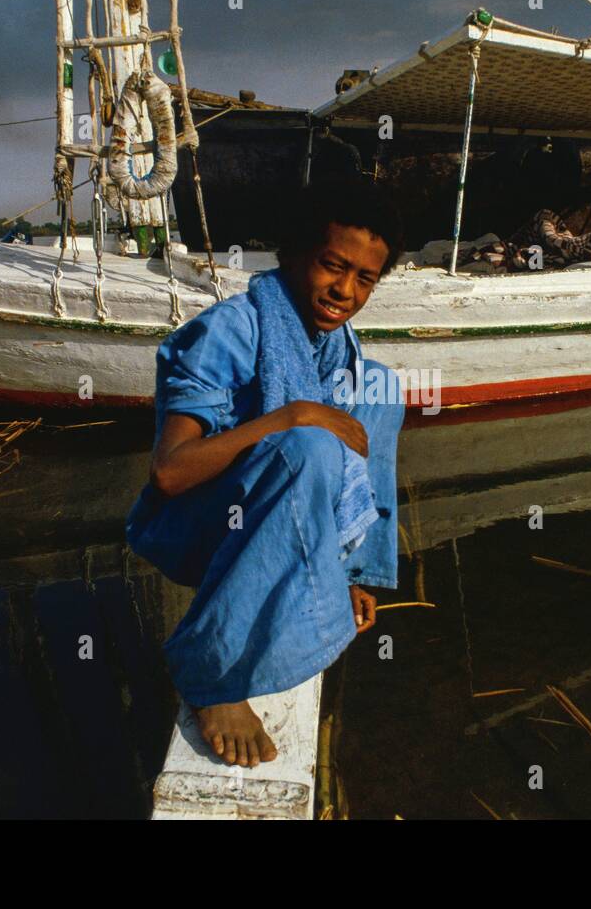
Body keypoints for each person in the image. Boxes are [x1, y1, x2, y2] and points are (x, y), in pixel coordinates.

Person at [126, 179, 406, 768]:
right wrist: (290, 416)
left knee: (380, 386)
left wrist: (347, 574)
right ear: (296, 253)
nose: (345, 291)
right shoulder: (231, 330)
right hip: (197, 526)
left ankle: (344, 568)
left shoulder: (337, 347)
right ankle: (214, 672)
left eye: (365, 279)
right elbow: (169, 476)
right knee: (307, 441)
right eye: (333, 266)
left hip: (274, 522)